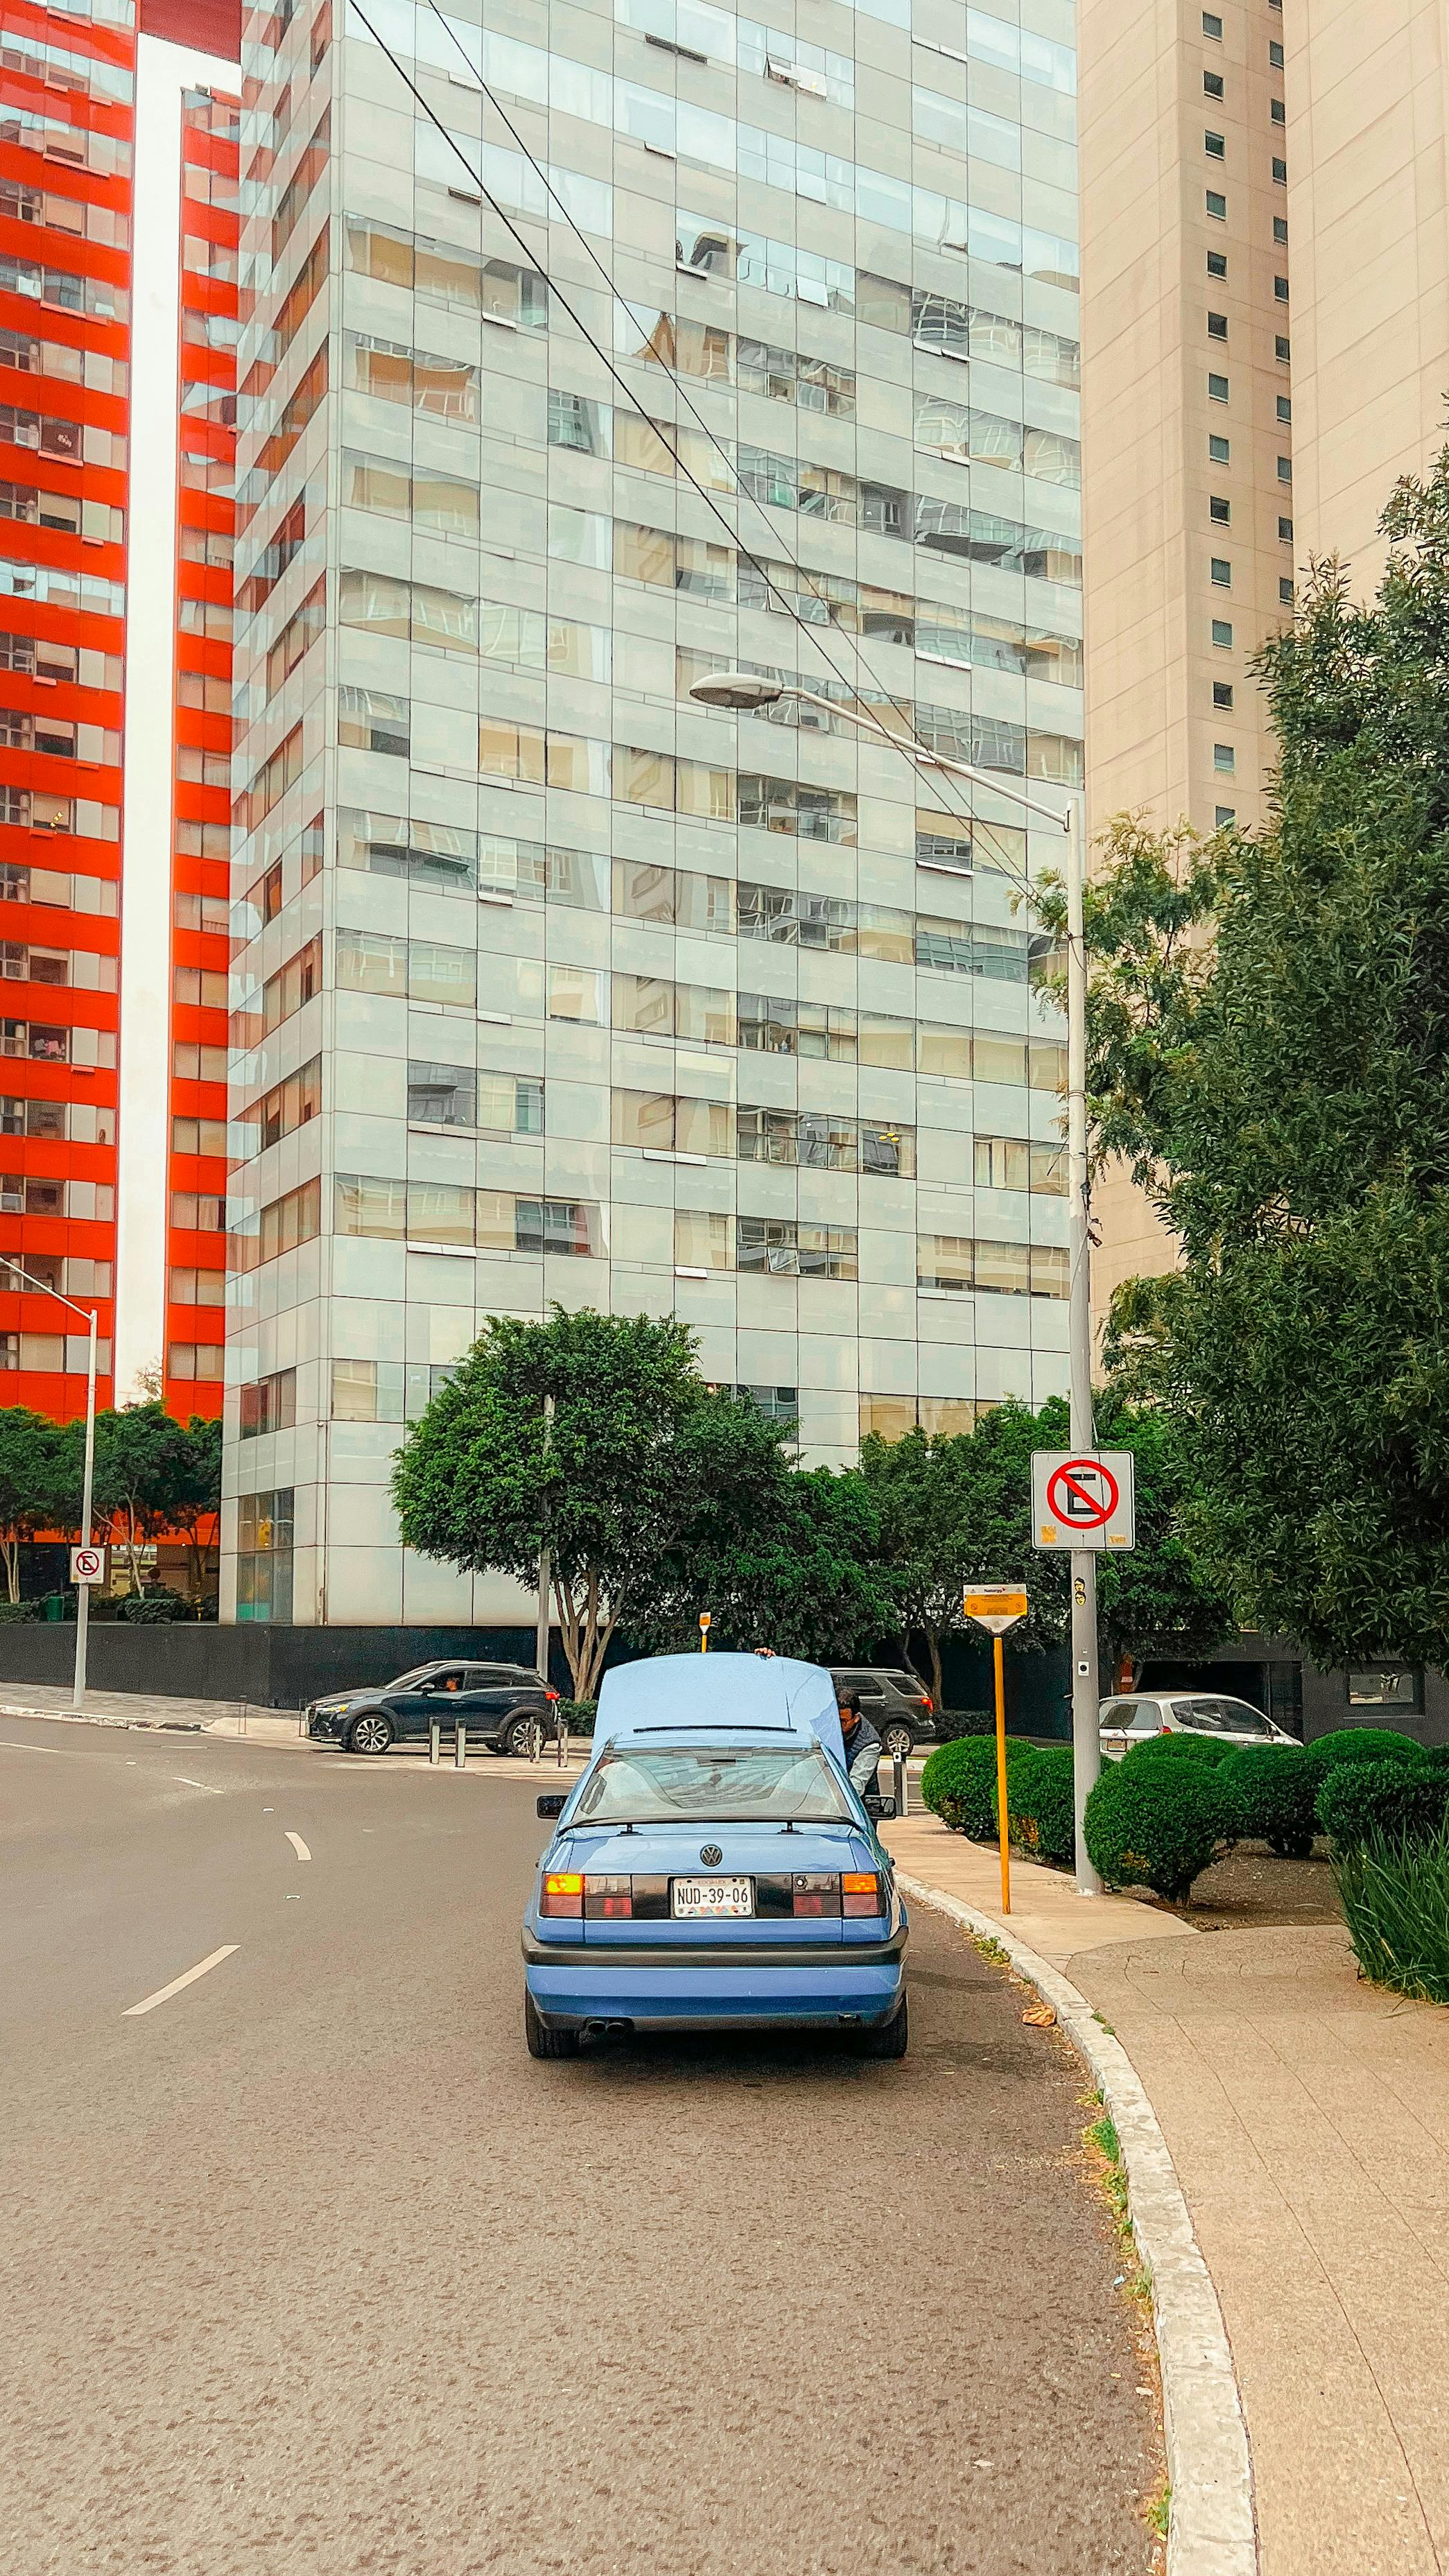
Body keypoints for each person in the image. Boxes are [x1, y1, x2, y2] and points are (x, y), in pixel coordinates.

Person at [835, 1686, 883, 1799]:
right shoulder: (824, 1726)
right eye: (835, 1719)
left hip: (860, 1803)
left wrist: (833, 1800)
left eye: (843, 1721)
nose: (837, 1725)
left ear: (856, 1718)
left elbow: (856, 1785)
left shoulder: (870, 1744)